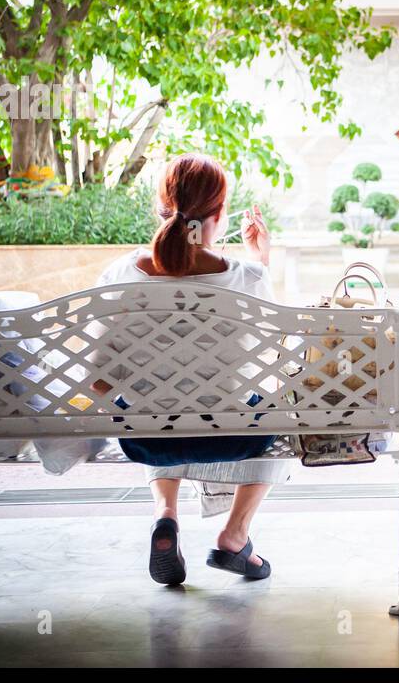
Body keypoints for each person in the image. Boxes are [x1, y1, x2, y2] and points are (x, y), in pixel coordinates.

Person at [93, 154, 284, 585]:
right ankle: (235, 534)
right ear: (219, 215)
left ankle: (166, 515)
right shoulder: (250, 278)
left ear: (160, 209)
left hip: (146, 440)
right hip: (236, 436)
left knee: (151, 401)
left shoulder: (122, 273)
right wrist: (260, 261)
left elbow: (100, 378)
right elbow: (269, 365)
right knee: (283, 404)